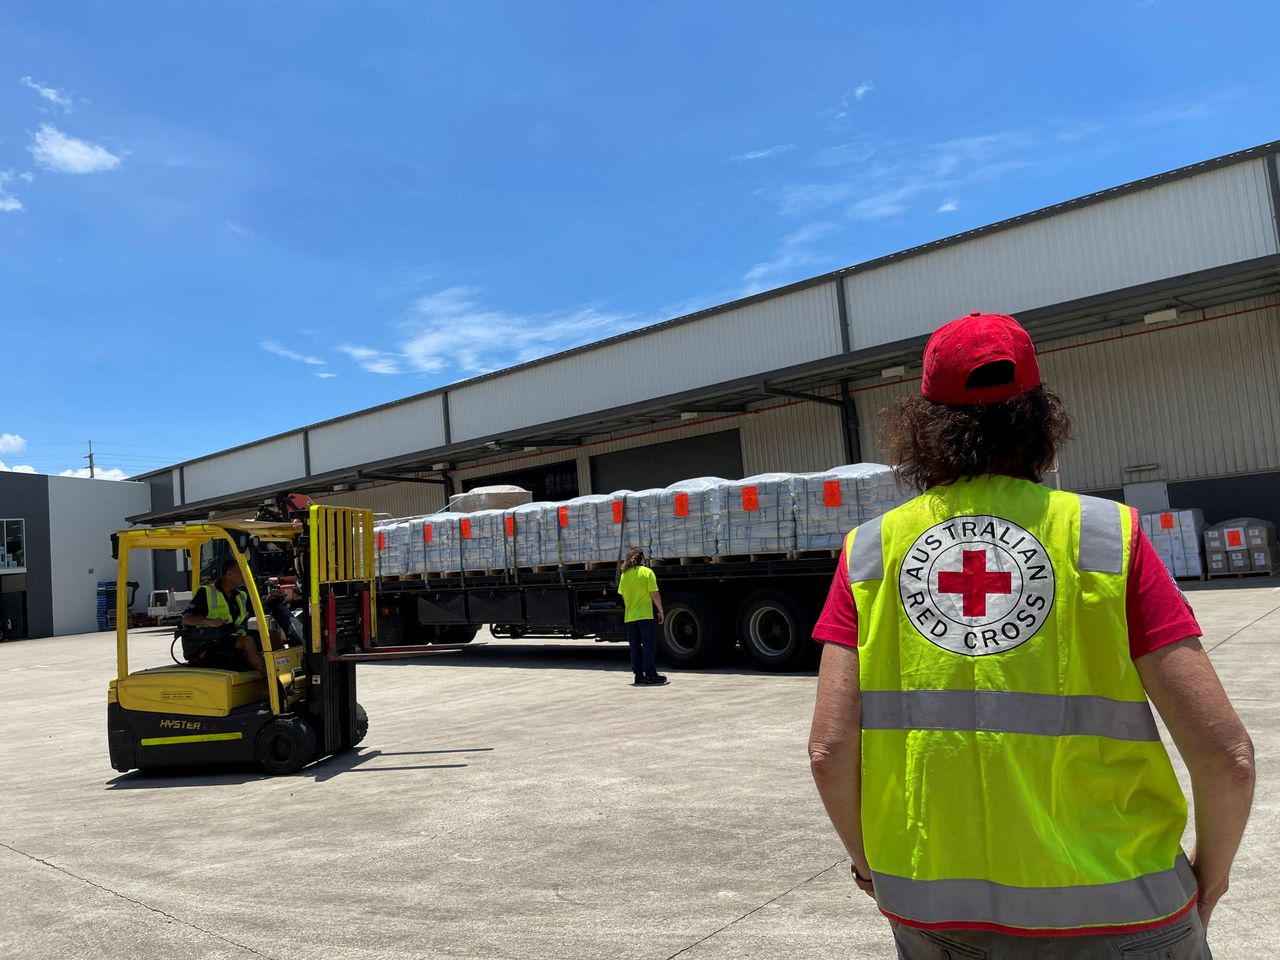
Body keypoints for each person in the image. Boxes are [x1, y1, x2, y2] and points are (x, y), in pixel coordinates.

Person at [808, 312, 1255, 958]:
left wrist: (871, 869)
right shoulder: (1107, 537)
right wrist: (1211, 878)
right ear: (1040, 419)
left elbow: (828, 751)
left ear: (922, 426)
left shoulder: (870, 552)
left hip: (936, 916)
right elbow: (1225, 756)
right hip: (1120, 907)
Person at [181, 559, 265, 674]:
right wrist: (209, 621)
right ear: (229, 573)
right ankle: (271, 679)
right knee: (247, 641)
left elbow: (259, 611)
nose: (246, 576)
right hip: (210, 642)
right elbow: (186, 618)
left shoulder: (240, 595)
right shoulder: (206, 592)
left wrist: (271, 600)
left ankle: (280, 672)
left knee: (271, 635)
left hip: (230, 636)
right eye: (242, 572)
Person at [617, 547, 668, 686]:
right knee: (648, 646)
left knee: (635, 647)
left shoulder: (624, 575)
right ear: (642, 559)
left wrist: (630, 609)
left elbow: (624, 597)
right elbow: (654, 594)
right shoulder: (647, 572)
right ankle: (650, 674)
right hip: (645, 615)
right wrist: (661, 611)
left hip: (630, 617)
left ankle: (638, 675)